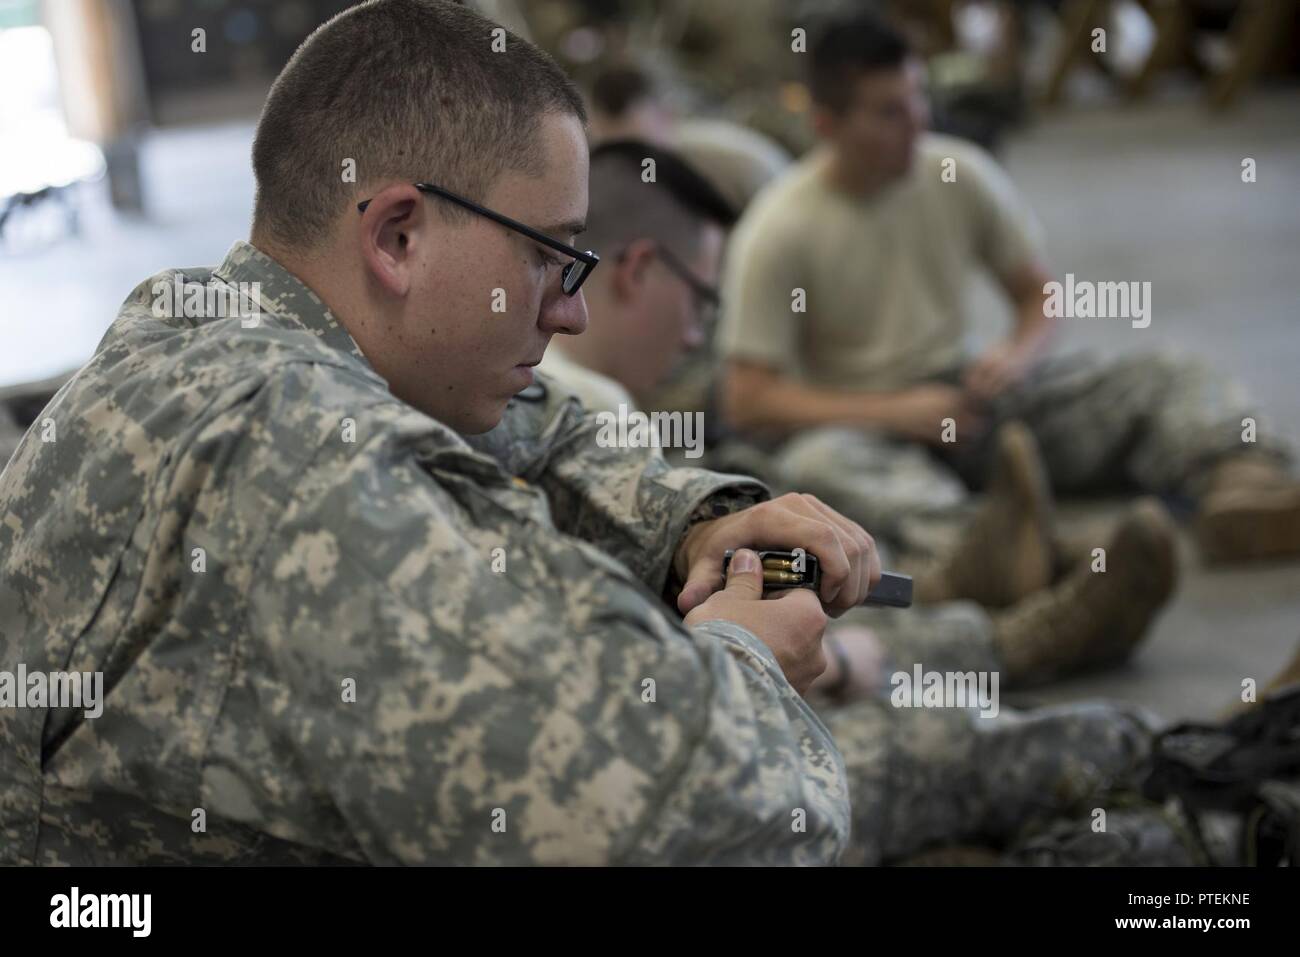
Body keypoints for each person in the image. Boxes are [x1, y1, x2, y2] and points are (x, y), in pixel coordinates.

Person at [0, 0, 891, 866]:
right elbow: (722, 821)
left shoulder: (198, 322)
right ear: (397, 237)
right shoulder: (308, 470)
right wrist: (748, 657)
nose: (572, 312)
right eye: (549, 254)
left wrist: (696, 523)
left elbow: (538, 435)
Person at [538, 138, 1215, 865]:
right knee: (956, 731)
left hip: (633, 743)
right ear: (639, 268)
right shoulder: (579, 402)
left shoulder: (529, 405)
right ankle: (1214, 756)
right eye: (701, 301)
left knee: (821, 557)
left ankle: (1000, 597)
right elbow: (642, 688)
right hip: (640, 782)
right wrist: (793, 662)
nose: (701, 332)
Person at [717, 10, 1300, 566]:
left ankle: (1241, 485)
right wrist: (894, 412)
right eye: (889, 112)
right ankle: (1001, 550)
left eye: (919, 96)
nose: (918, 121)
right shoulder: (778, 227)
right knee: (820, 466)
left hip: (970, 403)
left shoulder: (957, 172)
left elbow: (1038, 296)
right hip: (867, 429)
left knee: (1167, 374)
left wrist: (1014, 356)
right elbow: (749, 397)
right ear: (827, 124)